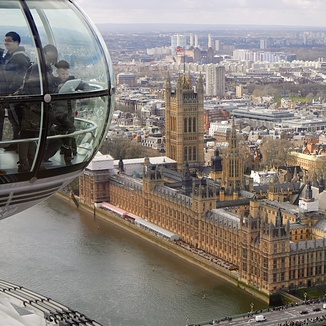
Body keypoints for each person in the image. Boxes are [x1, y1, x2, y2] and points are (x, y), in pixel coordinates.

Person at [17, 44, 58, 172]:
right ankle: (27, 163)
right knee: (28, 135)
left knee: (30, 135)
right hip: (34, 108)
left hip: (36, 107)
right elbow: (33, 87)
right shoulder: (39, 69)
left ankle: (30, 162)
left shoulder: (42, 68)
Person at [0, 31, 30, 149]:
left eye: (9, 40)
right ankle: (15, 144)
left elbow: (20, 78)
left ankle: (18, 146)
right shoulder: (11, 55)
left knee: (17, 121)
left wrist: (12, 93)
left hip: (14, 96)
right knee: (14, 121)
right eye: (5, 40)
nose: (6, 43)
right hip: (10, 95)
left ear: (16, 42)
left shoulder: (20, 57)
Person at [53, 60, 89, 158]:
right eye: (62, 74)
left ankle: (70, 151)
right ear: (57, 72)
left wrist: (85, 91)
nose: (65, 76)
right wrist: (57, 90)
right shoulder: (53, 81)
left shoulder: (72, 80)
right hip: (59, 112)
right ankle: (66, 150)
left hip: (70, 111)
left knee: (70, 131)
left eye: (67, 74)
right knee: (67, 130)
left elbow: (85, 85)